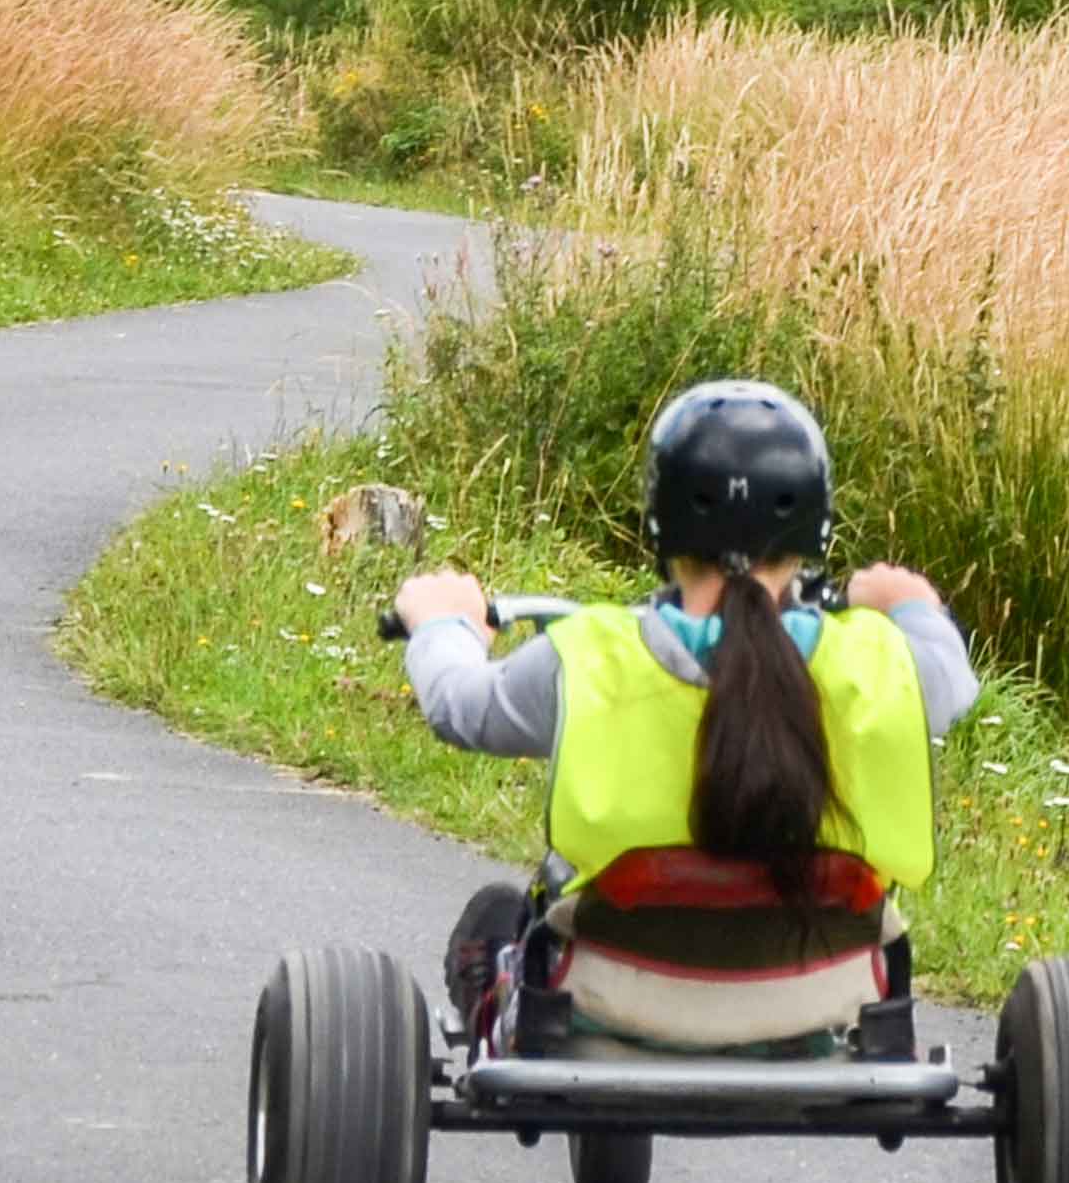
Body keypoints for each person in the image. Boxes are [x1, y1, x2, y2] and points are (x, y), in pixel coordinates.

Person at [395, 379, 976, 1058]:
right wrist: (909, 601)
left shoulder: (590, 657)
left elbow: (460, 708)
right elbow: (952, 676)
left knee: (500, 919)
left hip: (613, 993)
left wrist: (443, 623)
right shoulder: (887, 666)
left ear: (659, 519)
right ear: (812, 529)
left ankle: (501, 1005)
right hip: (820, 989)